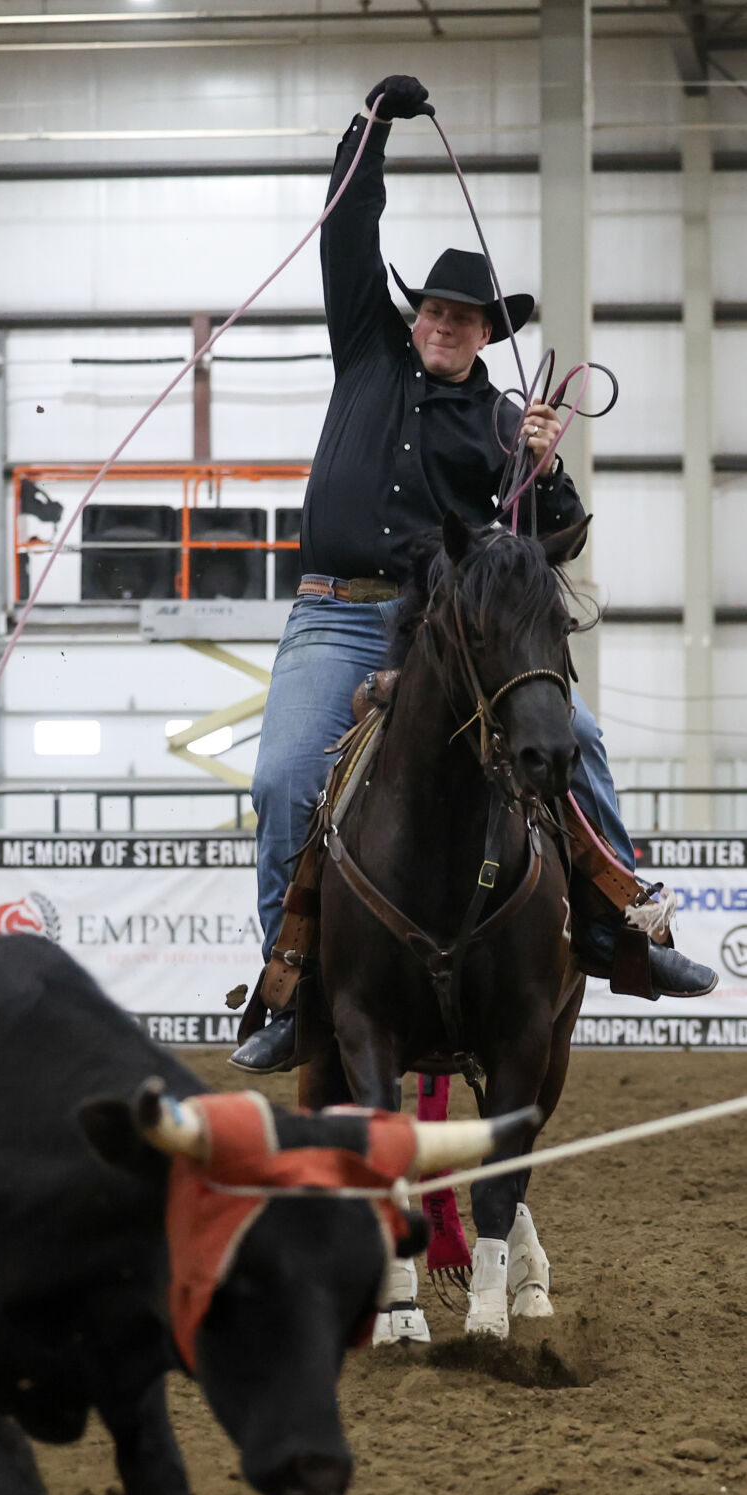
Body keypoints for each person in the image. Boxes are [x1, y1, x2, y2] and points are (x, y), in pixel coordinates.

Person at [233, 73, 716, 1073]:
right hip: (332, 615)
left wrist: (545, 466)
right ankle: (291, 974)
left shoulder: (505, 422)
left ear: (487, 332)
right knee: (280, 777)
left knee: (577, 736)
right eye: (433, 310)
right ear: (413, 315)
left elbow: (555, 540)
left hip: (447, 632)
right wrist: (370, 127)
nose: (443, 324)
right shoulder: (365, 351)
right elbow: (346, 229)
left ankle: (620, 920)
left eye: (462, 316)